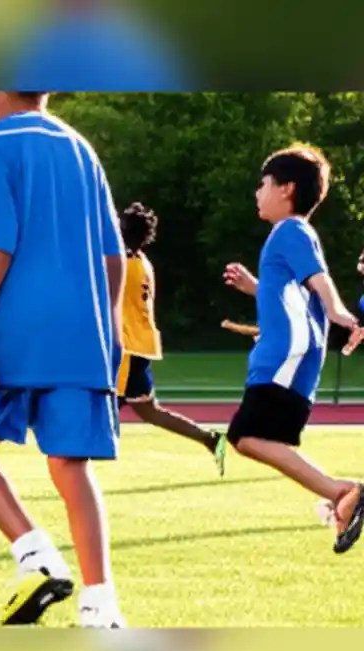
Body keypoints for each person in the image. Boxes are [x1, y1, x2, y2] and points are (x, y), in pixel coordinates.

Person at [0, 92, 127, 628]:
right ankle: (101, 605)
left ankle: (36, 555)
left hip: (9, 323)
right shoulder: (81, 148)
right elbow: (113, 256)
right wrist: (108, 329)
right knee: (71, 463)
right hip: (80, 329)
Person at [222, 143, 364, 554]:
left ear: (286, 189)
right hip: (289, 352)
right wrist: (256, 288)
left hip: (284, 355)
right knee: (255, 436)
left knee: (246, 436)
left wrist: (338, 311)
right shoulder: (291, 235)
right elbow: (294, 295)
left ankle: (342, 492)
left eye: (263, 184)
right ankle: (339, 497)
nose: (257, 192)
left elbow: (318, 281)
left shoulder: (290, 231)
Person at [116, 202, 226, 474]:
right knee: (149, 411)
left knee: (99, 405)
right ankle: (209, 438)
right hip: (138, 346)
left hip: (125, 348)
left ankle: (77, 463)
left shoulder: (122, 264)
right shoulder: (142, 262)